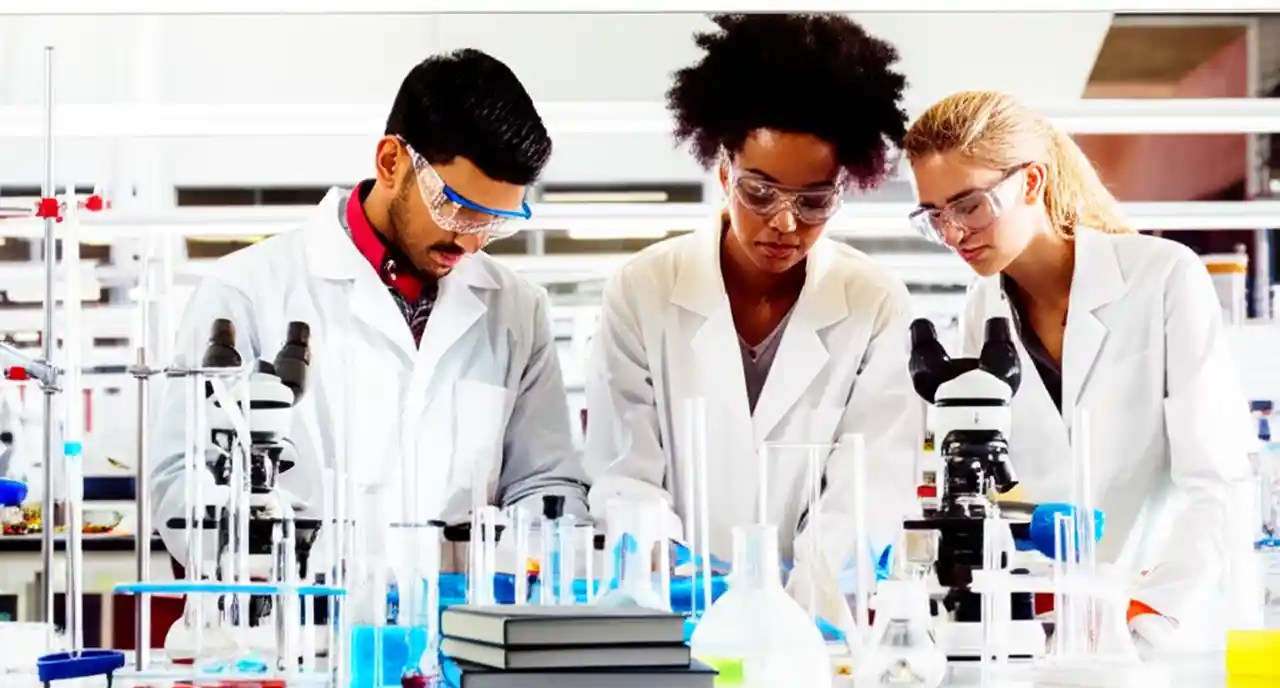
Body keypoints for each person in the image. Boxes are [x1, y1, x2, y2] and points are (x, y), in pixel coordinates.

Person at [150, 49, 587, 567]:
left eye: (494, 222)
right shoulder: (244, 292)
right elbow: (183, 479)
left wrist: (530, 559)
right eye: (457, 209)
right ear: (391, 162)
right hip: (293, 628)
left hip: (462, 631)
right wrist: (273, 569)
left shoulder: (518, 311)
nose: (470, 243)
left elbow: (544, 481)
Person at [584, 13, 921, 622]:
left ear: (844, 189)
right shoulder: (643, 289)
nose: (785, 224)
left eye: (814, 201)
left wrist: (797, 605)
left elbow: (869, 485)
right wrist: (681, 582)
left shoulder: (873, 301)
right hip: (674, 607)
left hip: (814, 618)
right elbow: (624, 470)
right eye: (759, 192)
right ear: (722, 171)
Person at [903, 89, 1255, 651]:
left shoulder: (1161, 277)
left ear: (1032, 182)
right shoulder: (982, 308)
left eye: (969, 205)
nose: (953, 232)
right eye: (935, 215)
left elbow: (1219, 476)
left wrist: (1158, 606)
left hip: (1157, 614)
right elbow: (1001, 475)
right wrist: (1023, 529)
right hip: (1042, 621)